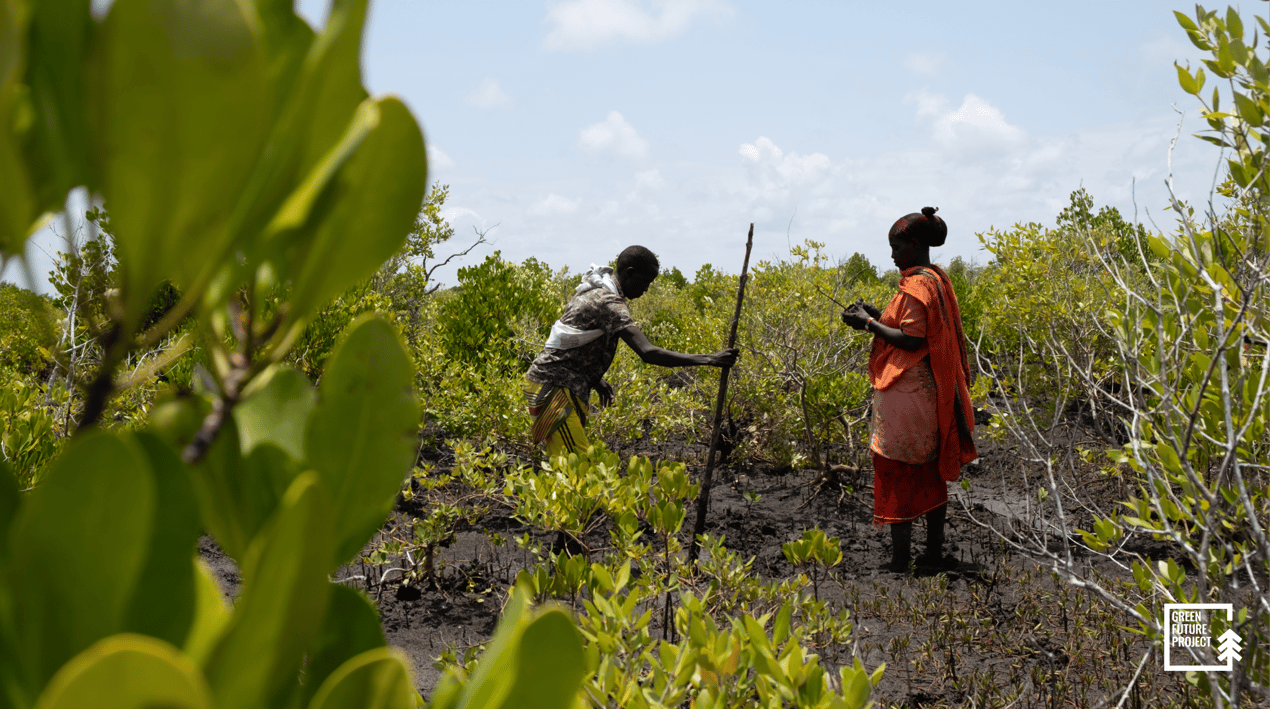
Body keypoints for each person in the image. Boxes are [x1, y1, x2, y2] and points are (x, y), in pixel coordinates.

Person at [841, 207, 977, 572]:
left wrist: (868, 324)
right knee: (929, 471)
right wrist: (875, 315)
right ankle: (932, 553)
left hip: (911, 395)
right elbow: (910, 326)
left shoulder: (918, 284)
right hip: (929, 393)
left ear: (915, 245)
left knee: (895, 467)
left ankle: (899, 561)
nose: (892, 255)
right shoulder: (936, 279)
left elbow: (913, 340)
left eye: (896, 247)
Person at [525, 245, 739, 457]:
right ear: (630, 273)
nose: (646, 289)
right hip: (554, 388)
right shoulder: (609, 301)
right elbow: (648, 352)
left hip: (557, 386)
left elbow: (571, 342)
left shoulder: (593, 290)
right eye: (645, 282)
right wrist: (710, 359)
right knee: (576, 468)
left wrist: (594, 378)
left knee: (566, 466)